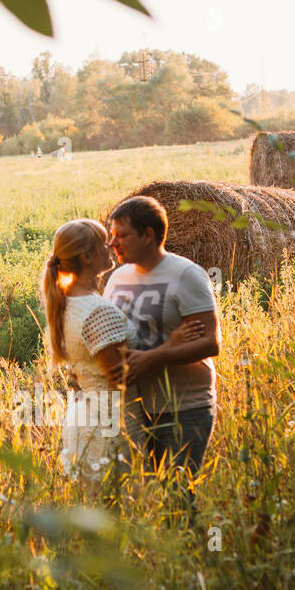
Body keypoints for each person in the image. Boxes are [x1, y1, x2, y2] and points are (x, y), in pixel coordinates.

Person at [40, 217, 201, 500]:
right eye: (104, 243)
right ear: (87, 257)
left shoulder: (65, 303)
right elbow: (121, 376)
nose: (112, 246)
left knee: (98, 509)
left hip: (85, 417)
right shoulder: (99, 311)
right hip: (112, 423)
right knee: (124, 509)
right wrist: (170, 345)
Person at [103, 195, 220, 506]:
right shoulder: (117, 278)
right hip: (137, 409)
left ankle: (196, 553)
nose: (113, 242)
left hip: (183, 407)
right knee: (152, 498)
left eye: (122, 235)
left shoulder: (186, 275)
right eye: (112, 234)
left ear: (148, 235)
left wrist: (151, 358)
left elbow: (210, 343)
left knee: (179, 499)